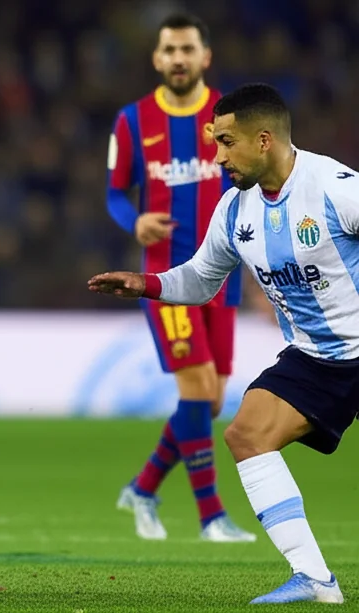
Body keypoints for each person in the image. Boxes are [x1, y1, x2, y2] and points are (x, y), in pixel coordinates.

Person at [89, 82, 352, 604]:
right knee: (247, 434)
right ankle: (316, 580)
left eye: (226, 143)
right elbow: (202, 279)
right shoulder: (235, 209)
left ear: (263, 140)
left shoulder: (335, 188)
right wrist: (147, 284)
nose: (217, 157)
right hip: (316, 358)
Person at [106, 12, 254, 543]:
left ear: (204, 57)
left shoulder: (229, 119)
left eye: (187, 49)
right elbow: (114, 193)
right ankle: (212, 515)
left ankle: (143, 488)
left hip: (224, 277)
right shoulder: (132, 120)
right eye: (169, 50)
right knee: (196, 393)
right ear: (156, 58)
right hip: (166, 279)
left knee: (211, 401)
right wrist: (136, 220)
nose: (177, 59)